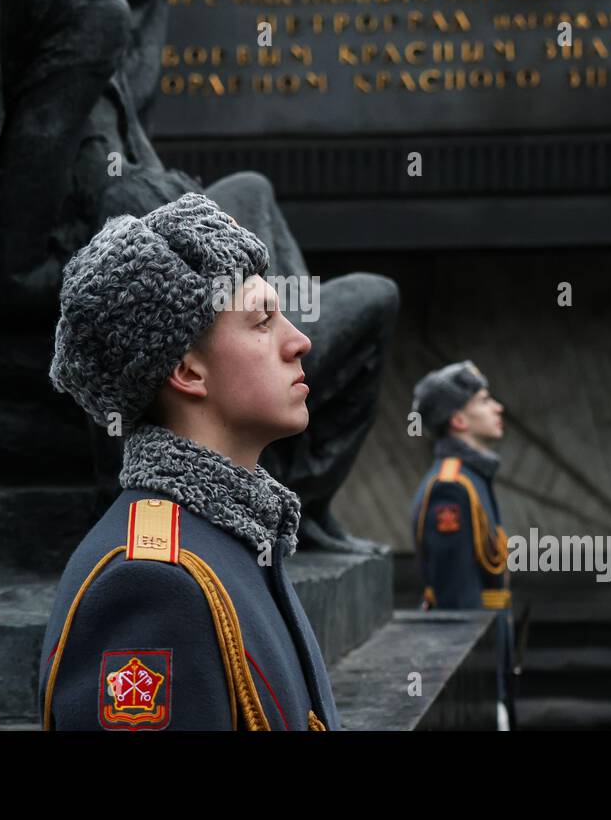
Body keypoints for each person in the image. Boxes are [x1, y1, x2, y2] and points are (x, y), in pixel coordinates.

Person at [38, 192, 340, 730]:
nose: (300, 341)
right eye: (262, 321)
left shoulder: (235, 532)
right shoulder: (153, 580)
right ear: (187, 372)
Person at [409, 360, 517, 729]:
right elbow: (458, 609)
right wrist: (486, 697)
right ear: (458, 421)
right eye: (485, 400)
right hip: (477, 669)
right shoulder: (452, 489)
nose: (498, 407)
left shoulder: (473, 478)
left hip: (495, 647)